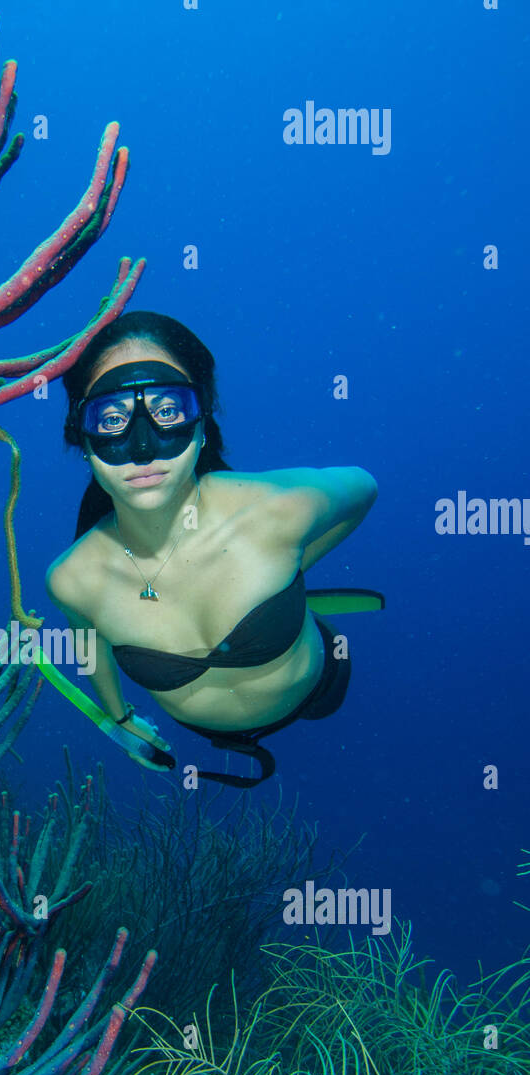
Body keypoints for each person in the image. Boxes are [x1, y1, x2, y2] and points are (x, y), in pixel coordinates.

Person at [45, 311, 379, 787]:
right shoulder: (72, 579)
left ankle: (298, 603)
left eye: (167, 411)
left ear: (202, 419)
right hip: (197, 728)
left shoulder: (278, 513)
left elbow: (364, 488)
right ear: (81, 433)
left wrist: (293, 562)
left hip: (319, 687)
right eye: (114, 417)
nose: (143, 448)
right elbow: (88, 640)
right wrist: (118, 721)